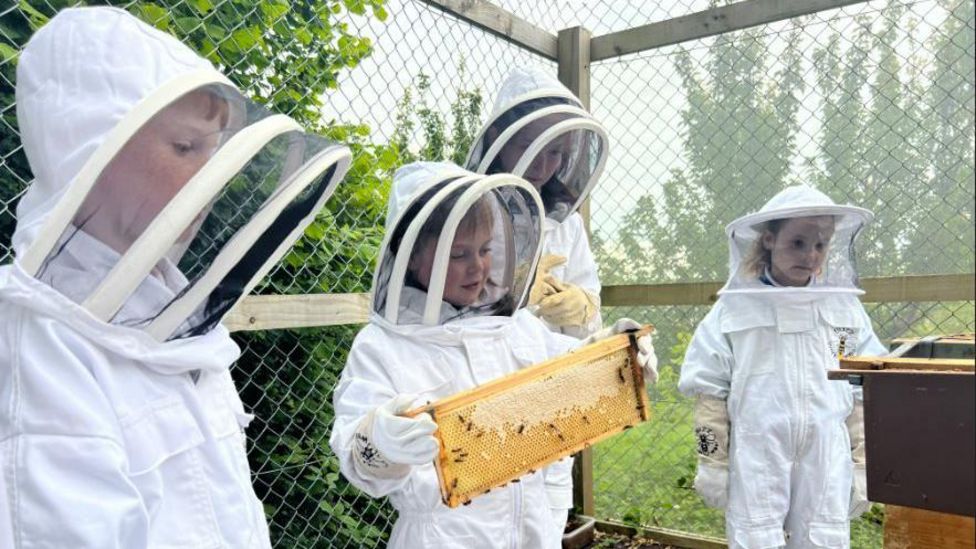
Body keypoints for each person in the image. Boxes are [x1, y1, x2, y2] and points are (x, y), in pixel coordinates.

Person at [0, 7, 351, 547]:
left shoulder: (171, 308)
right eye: (187, 148)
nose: (212, 178)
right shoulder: (43, 347)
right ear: (89, 152)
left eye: (217, 151)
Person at [329, 162, 655, 548]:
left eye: (485, 249)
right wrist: (380, 440)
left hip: (532, 531)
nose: (478, 266)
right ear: (412, 257)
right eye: (458, 254)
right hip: (443, 538)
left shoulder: (515, 327)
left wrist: (613, 353)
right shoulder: (383, 346)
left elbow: (564, 373)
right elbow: (359, 459)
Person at [678, 185, 888, 549]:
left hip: (826, 450)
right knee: (755, 537)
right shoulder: (734, 309)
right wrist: (712, 459)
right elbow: (709, 389)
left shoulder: (844, 311)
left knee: (822, 537)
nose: (810, 255)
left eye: (820, 245)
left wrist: (862, 461)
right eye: (798, 242)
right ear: (770, 240)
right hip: (758, 449)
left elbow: (859, 384)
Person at [466, 66, 610, 340]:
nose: (543, 165)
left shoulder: (567, 223)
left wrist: (582, 310)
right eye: (528, 147)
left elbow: (589, 323)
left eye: (555, 152)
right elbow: (444, 318)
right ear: (498, 138)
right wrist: (513, 296)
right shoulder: (465, 215)